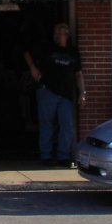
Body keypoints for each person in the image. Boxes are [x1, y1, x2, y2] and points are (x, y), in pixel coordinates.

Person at [24, 22, 85, 168]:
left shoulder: (73, 52)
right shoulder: (47, 48)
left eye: (60, 33)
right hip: (47, 91)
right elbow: (27, 53)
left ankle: (63, 156)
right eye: (55, 33)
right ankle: (46, 156)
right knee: (47, 125)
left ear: (66, 35)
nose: (57, 36)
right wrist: (33, 68)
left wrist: (83, 92)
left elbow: (78, 74)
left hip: (66, 94)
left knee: (67, 125)